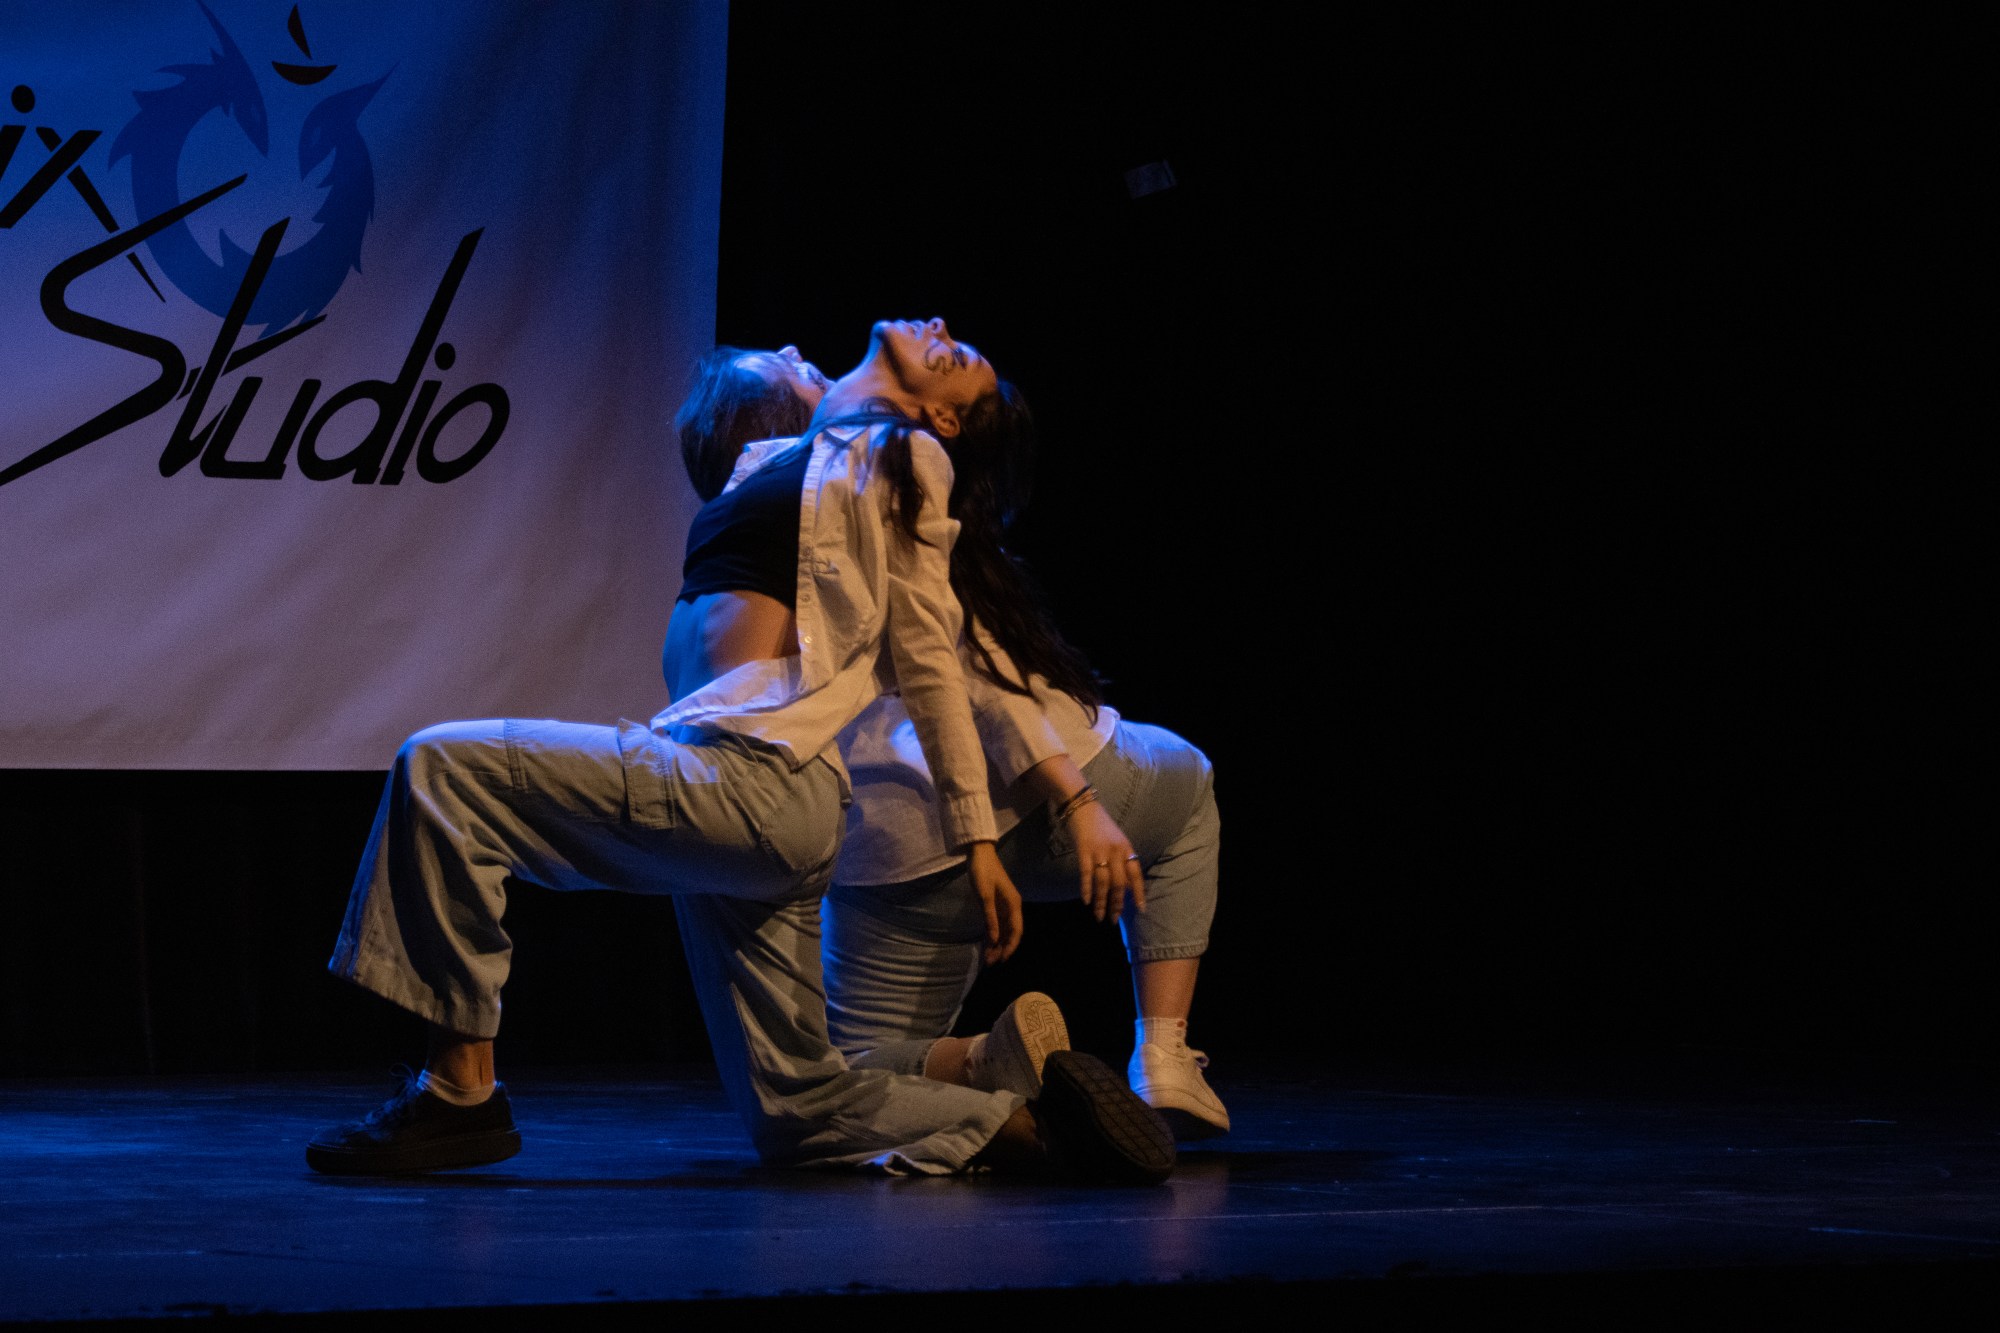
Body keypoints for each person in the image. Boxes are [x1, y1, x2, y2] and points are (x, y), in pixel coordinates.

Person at [307, 319, 1176, 1183]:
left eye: (958, 362)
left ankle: (460, 1093)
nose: (940, 329)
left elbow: (934, 654)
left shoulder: (900, 456)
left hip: (754, 777)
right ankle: (1033, 1132)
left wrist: (983, 834)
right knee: (795, 1107)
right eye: (785, 362)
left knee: (444, 770)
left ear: (941, 419)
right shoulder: (787, 464)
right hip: (739, 791)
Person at [681, 343, 1228, 1139]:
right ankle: (1166, 1056)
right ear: (785, 421)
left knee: (841, 1065)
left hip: (883, 857)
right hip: (1014, 804)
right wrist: (1075, 797)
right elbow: (970, 666)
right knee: (1186, 789)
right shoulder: (861, 477)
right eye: (790, 367)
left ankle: (982, 1062)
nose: (806, 353)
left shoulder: (731, 524)